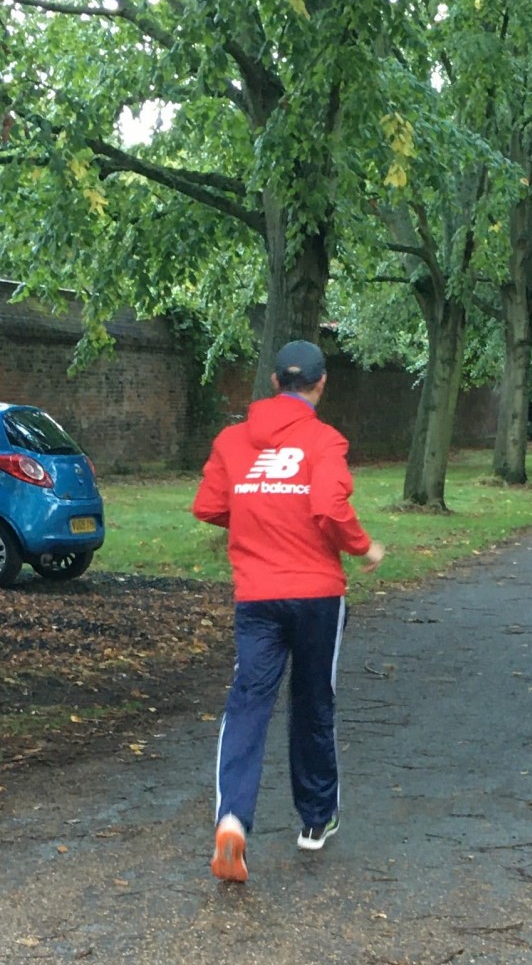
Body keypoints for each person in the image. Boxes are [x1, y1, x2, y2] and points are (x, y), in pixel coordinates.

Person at [192, 339, 385, 883]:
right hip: (319, 594)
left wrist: (258, 522)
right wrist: (363, 546)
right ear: (321, 384)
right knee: (312, 699)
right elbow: (328, 506)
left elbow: (209, 505)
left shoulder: (232, 440)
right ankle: (315, 822)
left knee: (249, 702)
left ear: (275, 382)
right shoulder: (324, 440)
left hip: (257, 594)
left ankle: (232, 819)